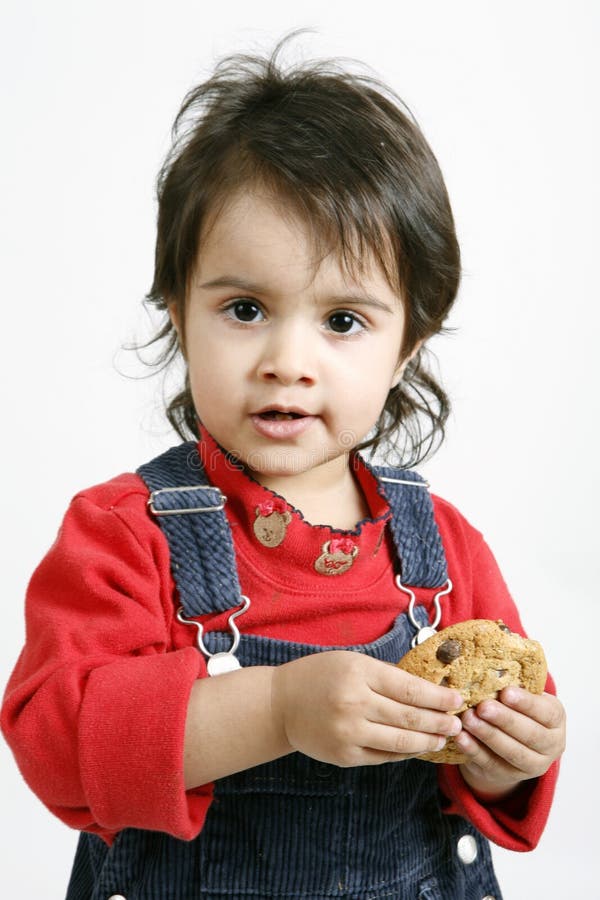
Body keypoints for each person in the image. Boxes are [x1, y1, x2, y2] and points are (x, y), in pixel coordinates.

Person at [1, 37, 565, 900]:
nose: (287, 359)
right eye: (246, 308)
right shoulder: (125, 534)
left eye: (343, 320)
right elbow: (58, 745)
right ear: (178, 314)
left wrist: (507, 759)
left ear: (407, 344)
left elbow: (482, 781)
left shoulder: (446, 553)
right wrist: (275, 712)